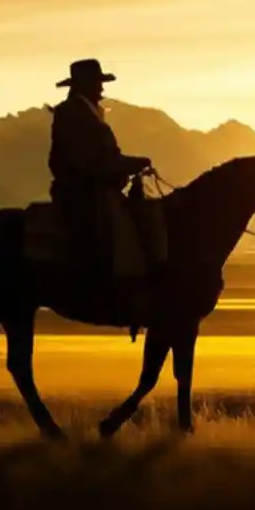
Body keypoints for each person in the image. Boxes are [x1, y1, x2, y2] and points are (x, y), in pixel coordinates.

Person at [48, 58, 151, 325]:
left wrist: (126, 164)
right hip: (81, 192)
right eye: (97, 84)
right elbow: (84, 160)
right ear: (83, 86)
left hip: (97, 187)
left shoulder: (90, 114)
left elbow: (107, 157)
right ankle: (103, 287)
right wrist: (123, 166)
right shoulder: (71, 114)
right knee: (111, 228)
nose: (101, 89)